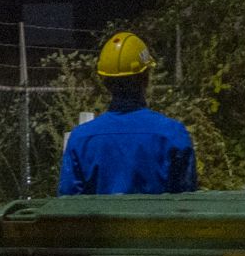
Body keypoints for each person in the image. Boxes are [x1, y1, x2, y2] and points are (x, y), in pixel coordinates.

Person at [58, 31, 198, 195]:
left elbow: (68, 206)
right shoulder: (173, 135)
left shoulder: (81, 139)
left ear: (105, 83)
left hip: (101, 222)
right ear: (145, 79)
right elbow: (186, 203)